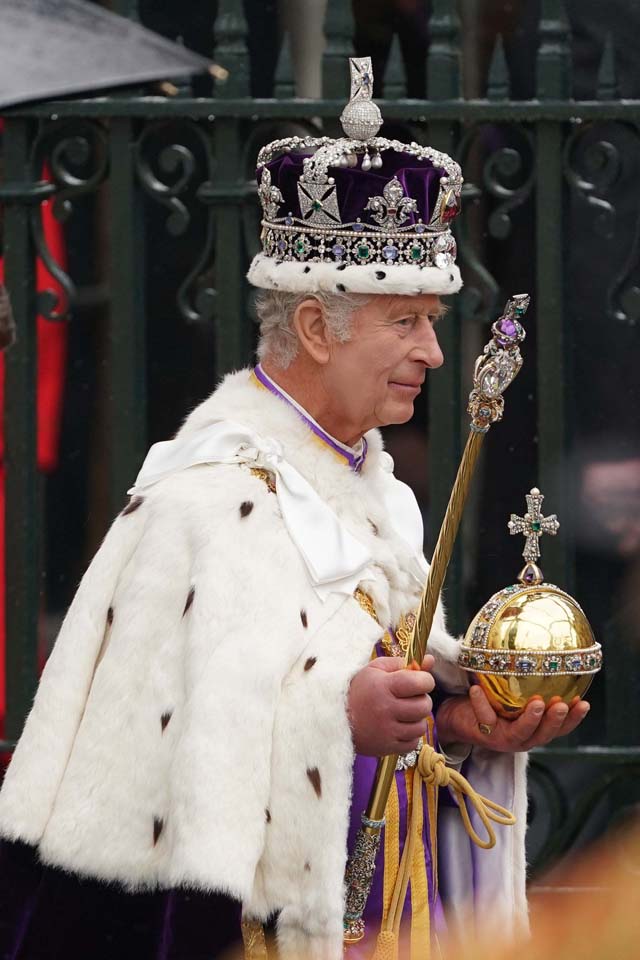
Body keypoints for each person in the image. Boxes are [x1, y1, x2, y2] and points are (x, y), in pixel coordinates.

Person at [0, 58, 588, 960]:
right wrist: (337, 717)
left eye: (432, 321)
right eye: (406, 322)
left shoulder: (379, 492)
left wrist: (458, 720)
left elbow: (381, 720)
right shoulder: (201, 502)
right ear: (317, 329)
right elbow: (158, 789)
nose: (433, 352)